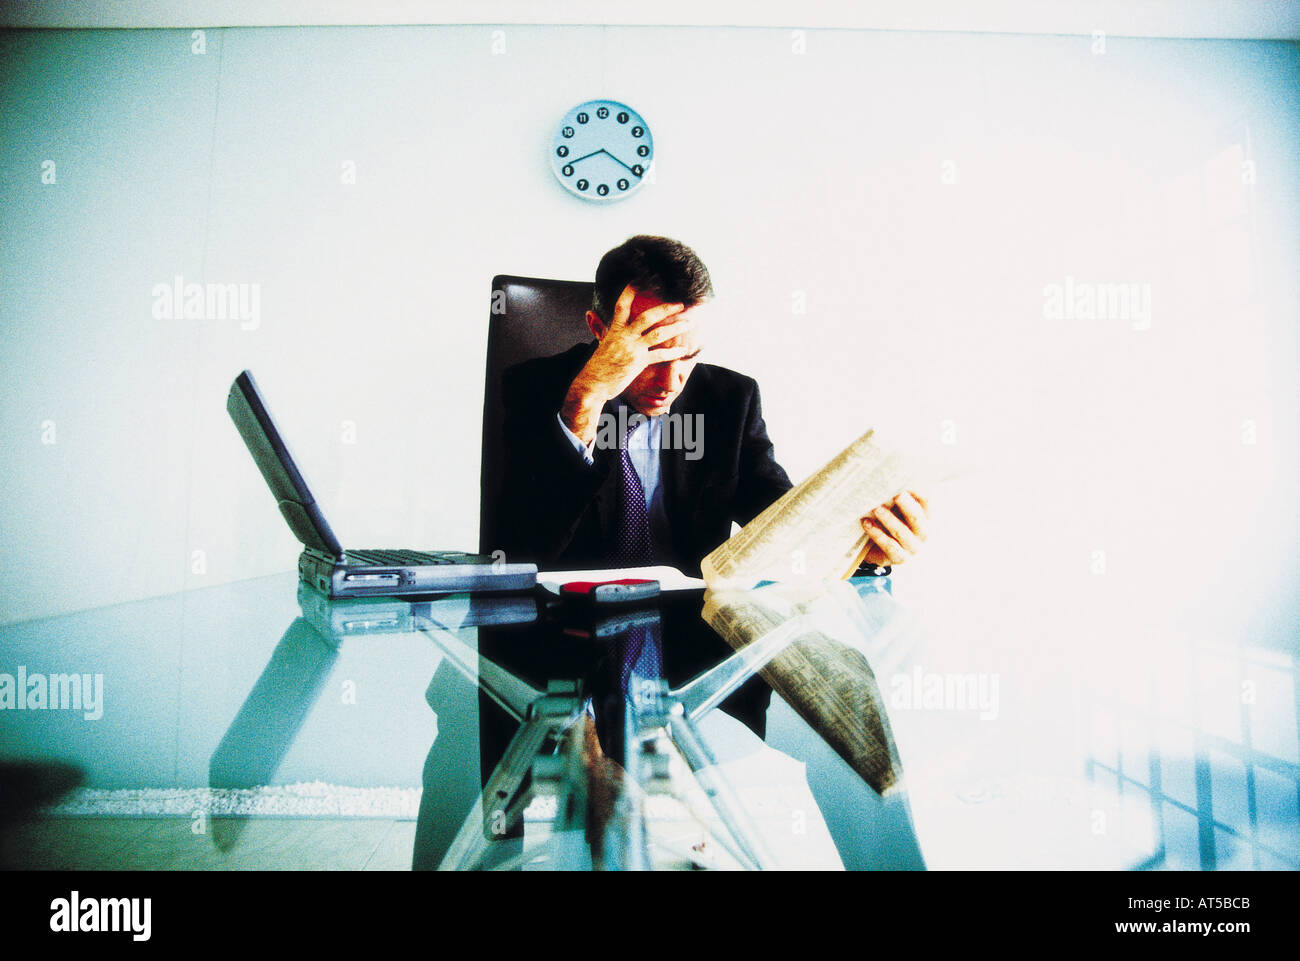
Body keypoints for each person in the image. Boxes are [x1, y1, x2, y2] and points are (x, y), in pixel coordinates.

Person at [496, 234, 929, 578]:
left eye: (687, 355)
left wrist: (861, 550)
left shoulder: (730, 401)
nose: (671, 383)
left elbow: (779, 526)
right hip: (568, 638)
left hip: (692, 636)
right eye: (653, 355)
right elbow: (523, 551)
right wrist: (585, 401)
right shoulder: (535, 387)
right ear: (599, 330)